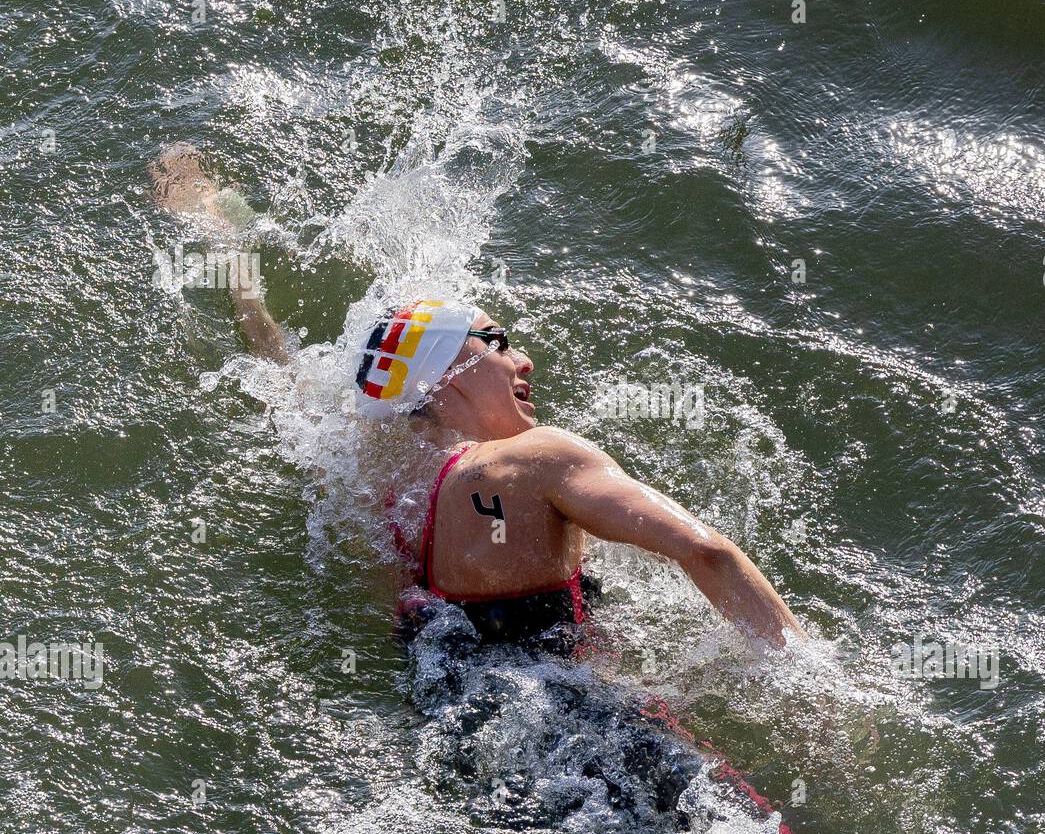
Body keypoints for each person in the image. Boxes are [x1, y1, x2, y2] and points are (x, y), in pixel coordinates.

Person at [150, 144, 808, 649]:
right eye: (494, 342)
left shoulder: (374, 490)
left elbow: (276, 362)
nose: (523, 358)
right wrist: (815, 688)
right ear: (443, 375)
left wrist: (223, 239)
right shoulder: (535, 461)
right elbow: (709, 553)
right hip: (603, 744)